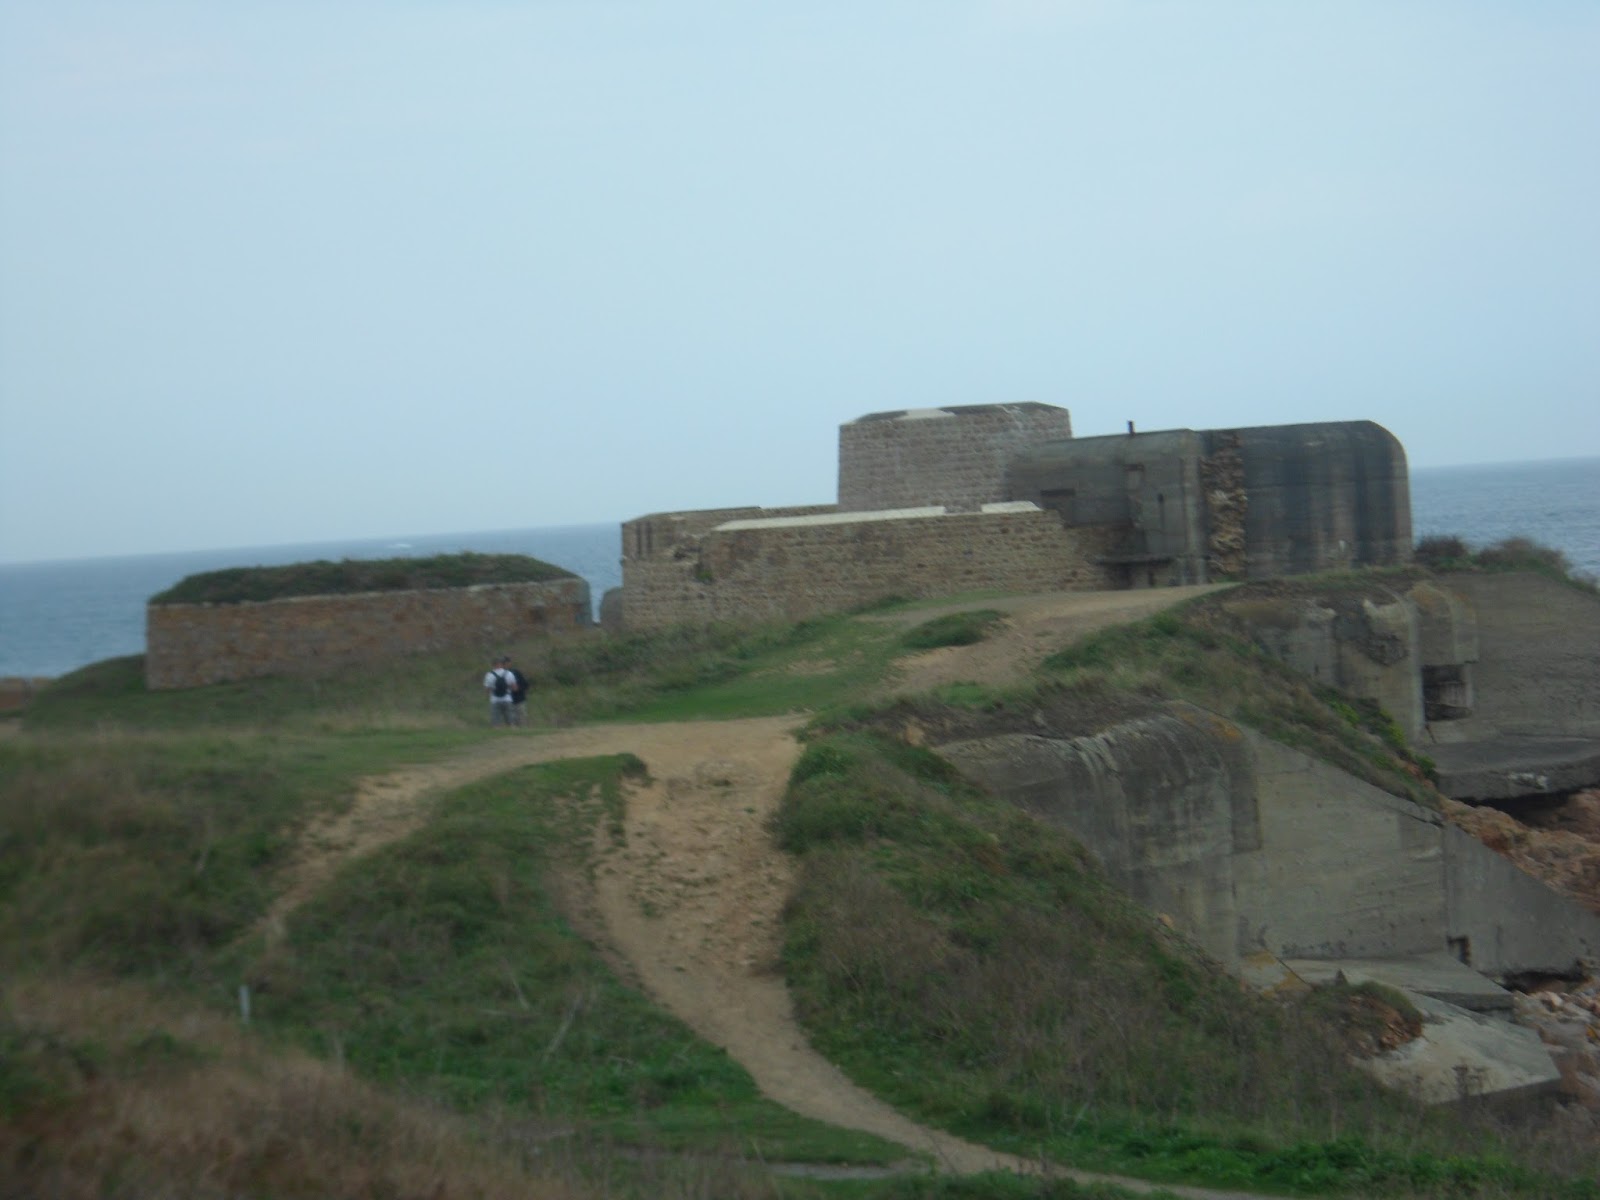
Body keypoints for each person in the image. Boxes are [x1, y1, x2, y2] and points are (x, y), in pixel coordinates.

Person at [483, 655, 517, 727]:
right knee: (510, 721)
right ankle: (512, 730)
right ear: (502, 664)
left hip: (495, 699)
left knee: (495, 722)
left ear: (493, 665)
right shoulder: (509, 673)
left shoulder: (489, 675)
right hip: (507, 698)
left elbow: (487, 690)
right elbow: (515, 688)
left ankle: (497, 729)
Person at [507, 657, 530, 726]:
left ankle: (523, 729)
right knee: (512, 719)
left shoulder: (516, 672)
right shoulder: (501, 674)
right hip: (508, 700)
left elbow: (525, 685)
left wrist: (519, 689)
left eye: (507, 663)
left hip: (519, 699)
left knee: (521, 718)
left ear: (510, 663)